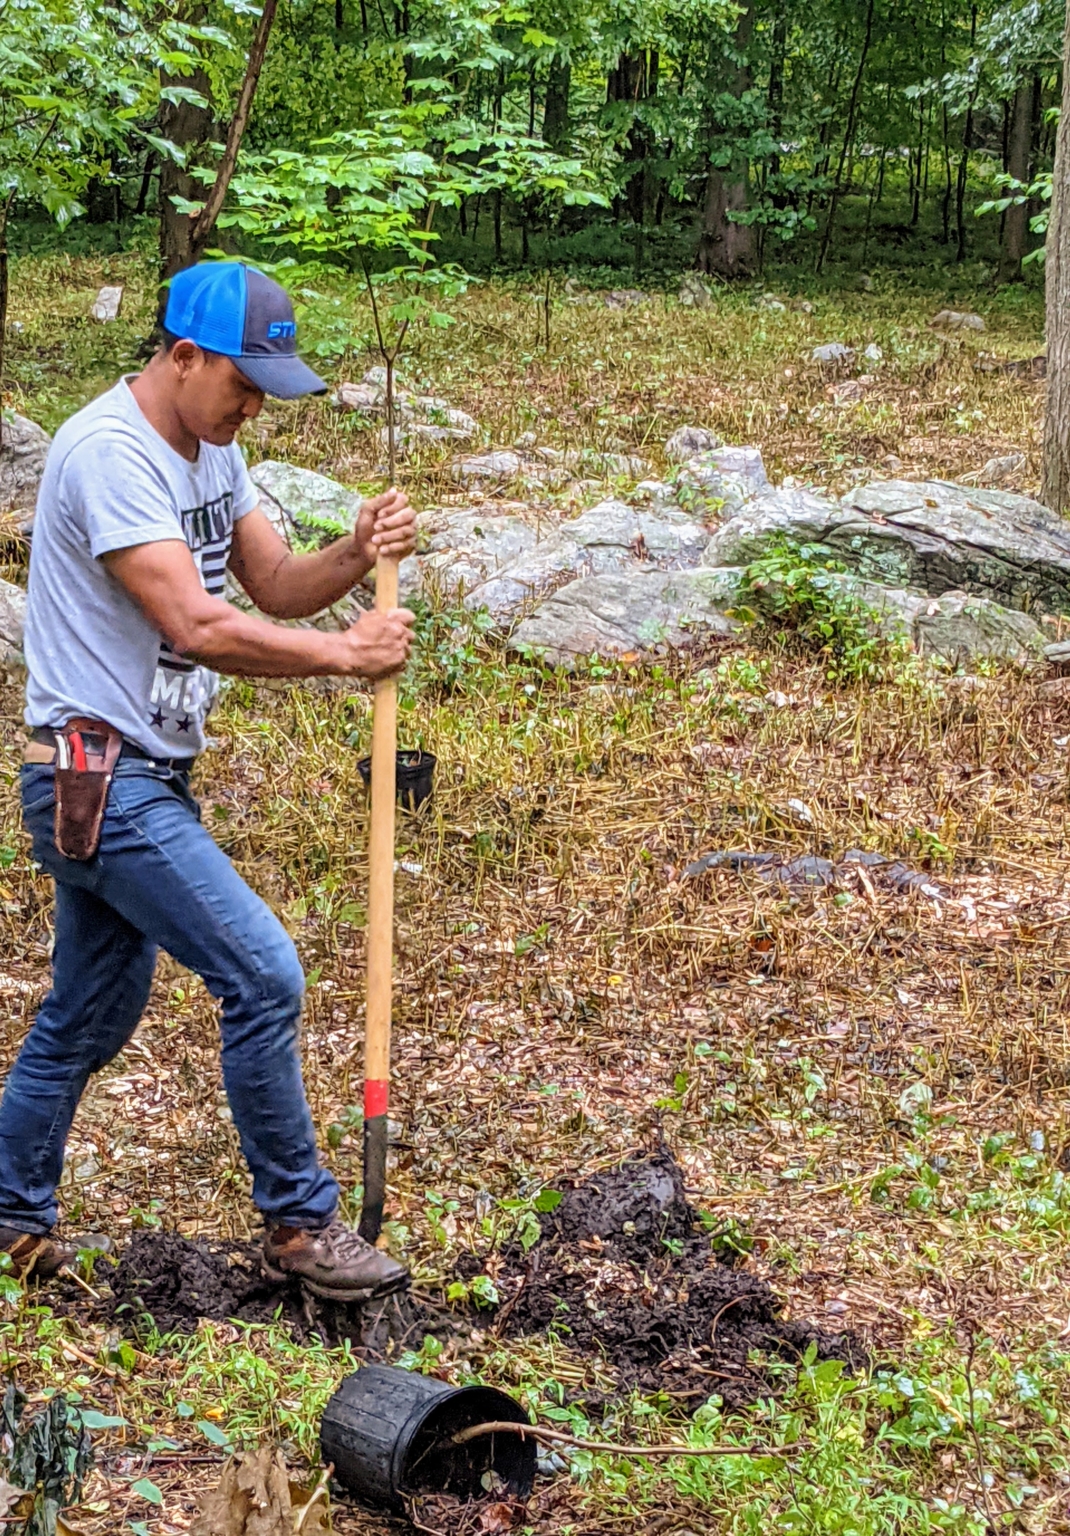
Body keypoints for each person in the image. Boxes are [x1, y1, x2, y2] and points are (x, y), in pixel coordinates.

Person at [0, 261, 417, 1301]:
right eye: (240, 381)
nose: (251, 406)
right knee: (262, 972)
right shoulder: (109, 454)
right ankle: (301, 1223)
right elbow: (193, 622)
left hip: (146, 777)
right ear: (180, 357)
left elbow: (273, 583)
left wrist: (355, 552)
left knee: (89, 1014)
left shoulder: (210, 453)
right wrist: (343, 657)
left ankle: (8, 1214)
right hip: (96, 779)